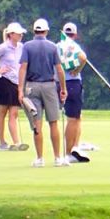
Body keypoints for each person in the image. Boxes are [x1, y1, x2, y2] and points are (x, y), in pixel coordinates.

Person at [18, 18, 69, 167]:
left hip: (31, 87)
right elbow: (59, 69)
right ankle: (58, 158)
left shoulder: (27, 46)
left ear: (34, 31)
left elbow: (23, 68)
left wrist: (20, 90)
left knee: (36, 124)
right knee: (53, 123)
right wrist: (63, 89)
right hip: (49, 86)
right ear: (46, 31)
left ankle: (40, 158)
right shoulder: (52, 47)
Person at [0, 22, 28, 151]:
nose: (21, 35)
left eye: (21, 34)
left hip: (16, 82)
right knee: (2, 112)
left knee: (14, 113)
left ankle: (16, 143)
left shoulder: (21, 47)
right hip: (4, 81)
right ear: (11, 34)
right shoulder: (3, 47)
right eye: (18, 34)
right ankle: (2, 142)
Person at [57, 21, 91, 162]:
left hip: (60, 83)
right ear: (75, 35)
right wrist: (77, 70)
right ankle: (68, 153)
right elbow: (83, 57)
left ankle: (75, 147)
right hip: (73, 83)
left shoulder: (58, 46)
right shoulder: (73, 46)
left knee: (77, 117)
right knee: (73, 118)